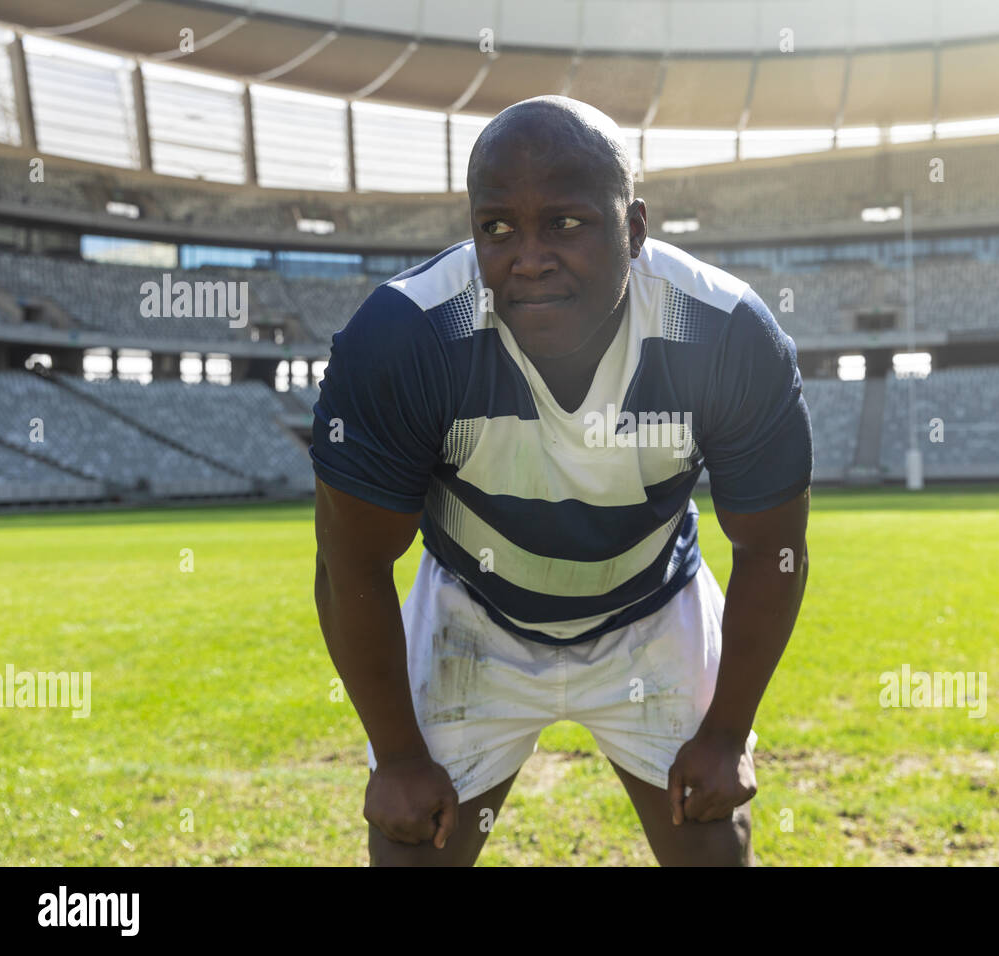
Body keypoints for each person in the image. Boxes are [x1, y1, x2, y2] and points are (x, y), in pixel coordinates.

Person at [311, 95, 811, 866]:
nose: (530, 256)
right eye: (497, 228)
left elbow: (774, 549)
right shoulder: (407, 336)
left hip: (651, 607)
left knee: (709, 837)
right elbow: (352, 562)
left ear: (634, 229)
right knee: (411, 839)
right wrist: (399, 756)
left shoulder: (724, 332)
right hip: (473, 611)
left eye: (566, 223)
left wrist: (724, 734)